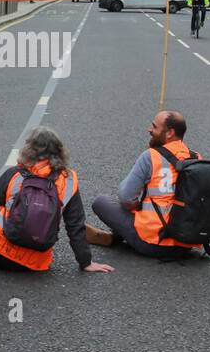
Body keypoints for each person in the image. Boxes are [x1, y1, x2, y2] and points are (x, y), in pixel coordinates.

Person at [0, 127, 114, 273]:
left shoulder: (14, 174)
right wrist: (86, 262)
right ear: (60, 151)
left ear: (28, 149)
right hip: (35, 262)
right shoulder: (68, 181)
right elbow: (75, 225)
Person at [85, 110, 203, 260]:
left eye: (154, 127)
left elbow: (126, 197)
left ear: (169, 133)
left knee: (101, 202)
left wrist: (135, 207)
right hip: (186, 243)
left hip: (152, 242)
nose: (150, 130)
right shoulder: (196, 158)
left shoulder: (151, 156)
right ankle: (116, 236)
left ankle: (115, 237)